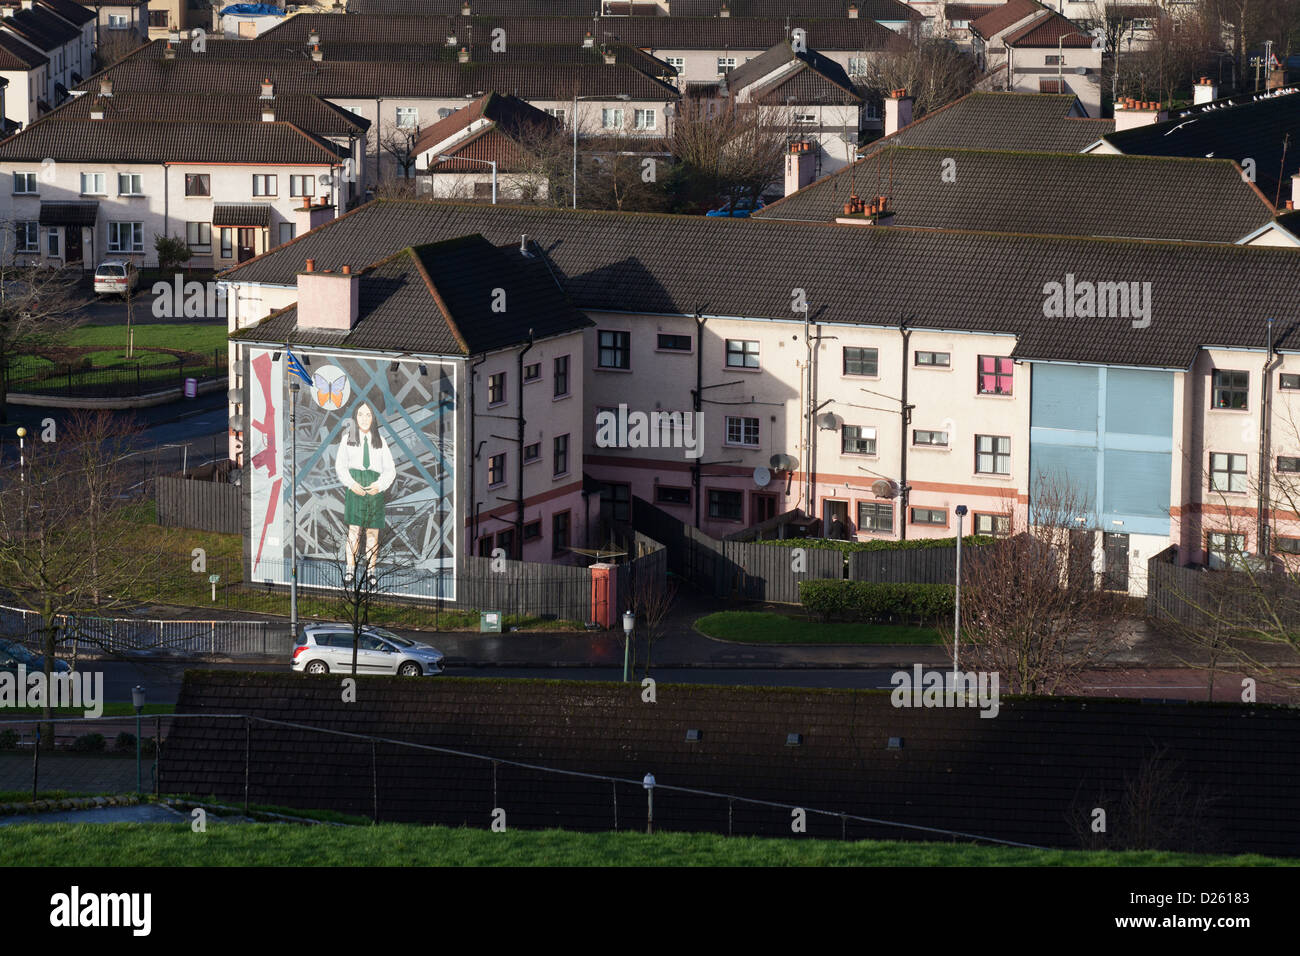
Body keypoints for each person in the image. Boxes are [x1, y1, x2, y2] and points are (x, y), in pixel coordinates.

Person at [334, 402, 396, 586]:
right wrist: (352, 484)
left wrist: (379, 485)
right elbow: (340, 466)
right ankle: (350, 571)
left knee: (372, 533)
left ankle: (371, 571)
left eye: (368, 414)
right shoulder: (347, 439)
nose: (364, 418)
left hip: (374, 490)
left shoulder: (381, 441)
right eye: (361, 414)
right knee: (354, 531)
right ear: (355, 417)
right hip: (356, 488)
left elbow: (390, 470)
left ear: (373, 418)